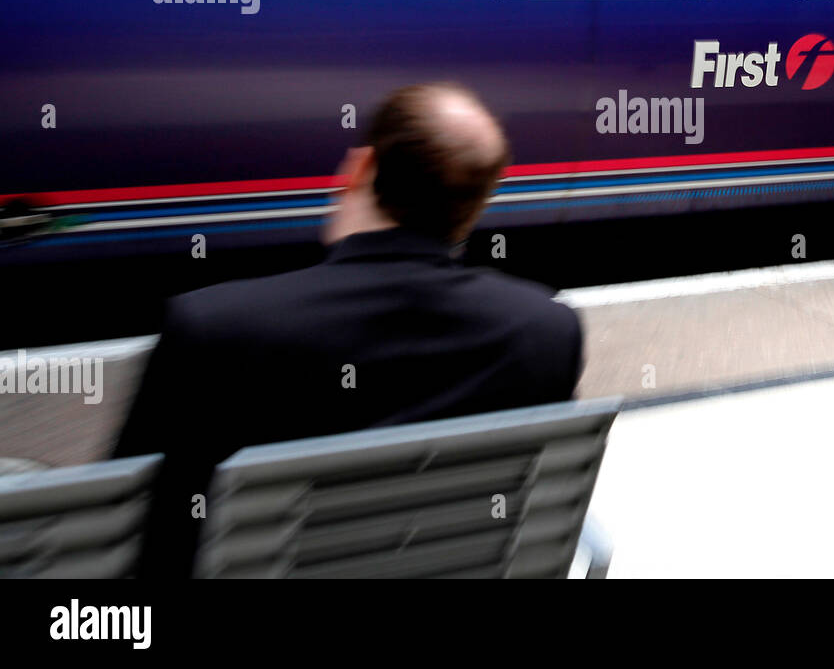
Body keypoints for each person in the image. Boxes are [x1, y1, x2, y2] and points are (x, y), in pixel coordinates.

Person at [114, 82, 583, 576]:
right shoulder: (548, 330)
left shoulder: (213, 328)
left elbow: (138, 531)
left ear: (362, 167)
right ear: (472, 210)